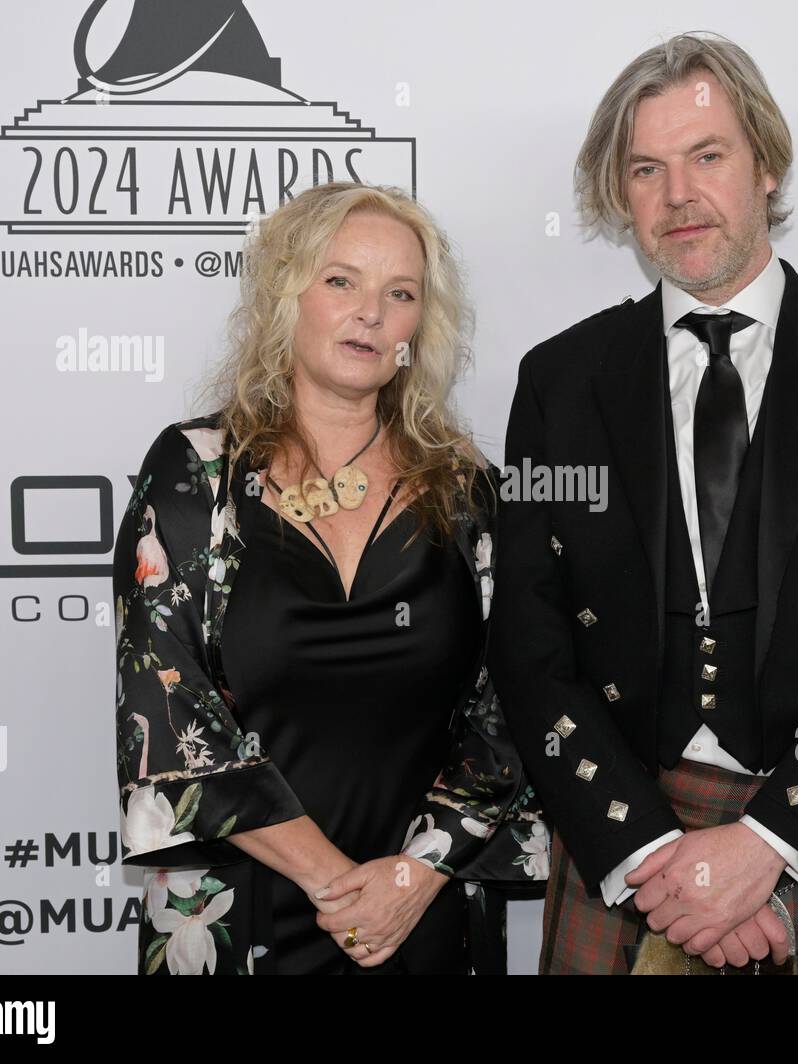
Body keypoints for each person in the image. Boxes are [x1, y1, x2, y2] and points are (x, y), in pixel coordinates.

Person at [489, 31, 798, 974]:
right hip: (624, 842)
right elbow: (528, 642)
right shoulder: (561, 382)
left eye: (707, 156)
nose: (678, 196)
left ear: (766, 166)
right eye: (646, 169)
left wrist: (767, 845)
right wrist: (649, 856)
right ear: (619, 196)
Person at [113, 180, 546, 976]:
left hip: (423, 907)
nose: (370, 313)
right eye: (340, 280)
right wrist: (341, 887)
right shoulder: (195, 474)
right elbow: (166, 707)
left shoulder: (466, 491)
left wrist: (414, 876)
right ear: (287, 294)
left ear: (422, 324)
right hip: (235, 913)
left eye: (400, 292)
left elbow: (511, 706)